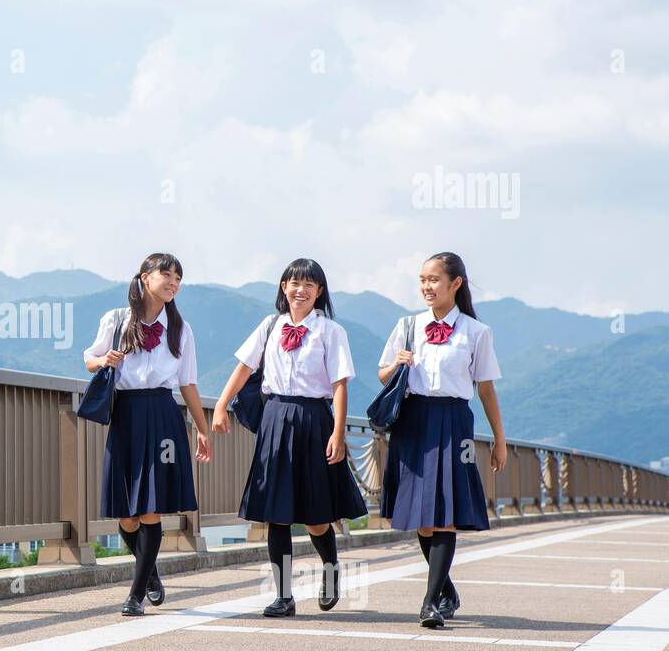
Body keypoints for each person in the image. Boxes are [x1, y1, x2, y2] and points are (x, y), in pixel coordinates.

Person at [213, 258, 366, 617]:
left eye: (309, 285)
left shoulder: (331, 331)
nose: (301, 290)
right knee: (276, 513)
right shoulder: (269, 326)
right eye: (294, 283)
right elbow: (244, 367)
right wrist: (220, 405)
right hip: (275, 418)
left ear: (320, 292)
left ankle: (330, 572)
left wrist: (338, 433)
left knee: (316, 515)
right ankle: (283, 595)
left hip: (314, 420)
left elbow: (339, 384)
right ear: (283, 287)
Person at [378, 251, 507, 627]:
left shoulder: (476, 332)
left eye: (433, 279)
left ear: (455, 284)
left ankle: (430, 601)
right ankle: (446, 589)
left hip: (454, 422)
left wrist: (500, 439)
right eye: (422, 280)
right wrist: (398, 364)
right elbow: (383, 375)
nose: (426, 287)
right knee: (423, 518)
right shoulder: (406, 325)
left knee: (445, 514)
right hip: (413, 421)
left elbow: (486, 390)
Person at [83, 252, 212, 616]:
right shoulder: (116, 319)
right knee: (126, 514)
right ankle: (150, 571)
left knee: (151, 508)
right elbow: (89, 359)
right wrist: (104, 360)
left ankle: (135, 595)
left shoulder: (182, 329)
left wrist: (202, 430)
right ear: (145, 278)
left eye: (178, 278)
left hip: (163, 417)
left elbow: (187, 384)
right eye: (166, 275)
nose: (173, 282)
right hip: (126, 413)